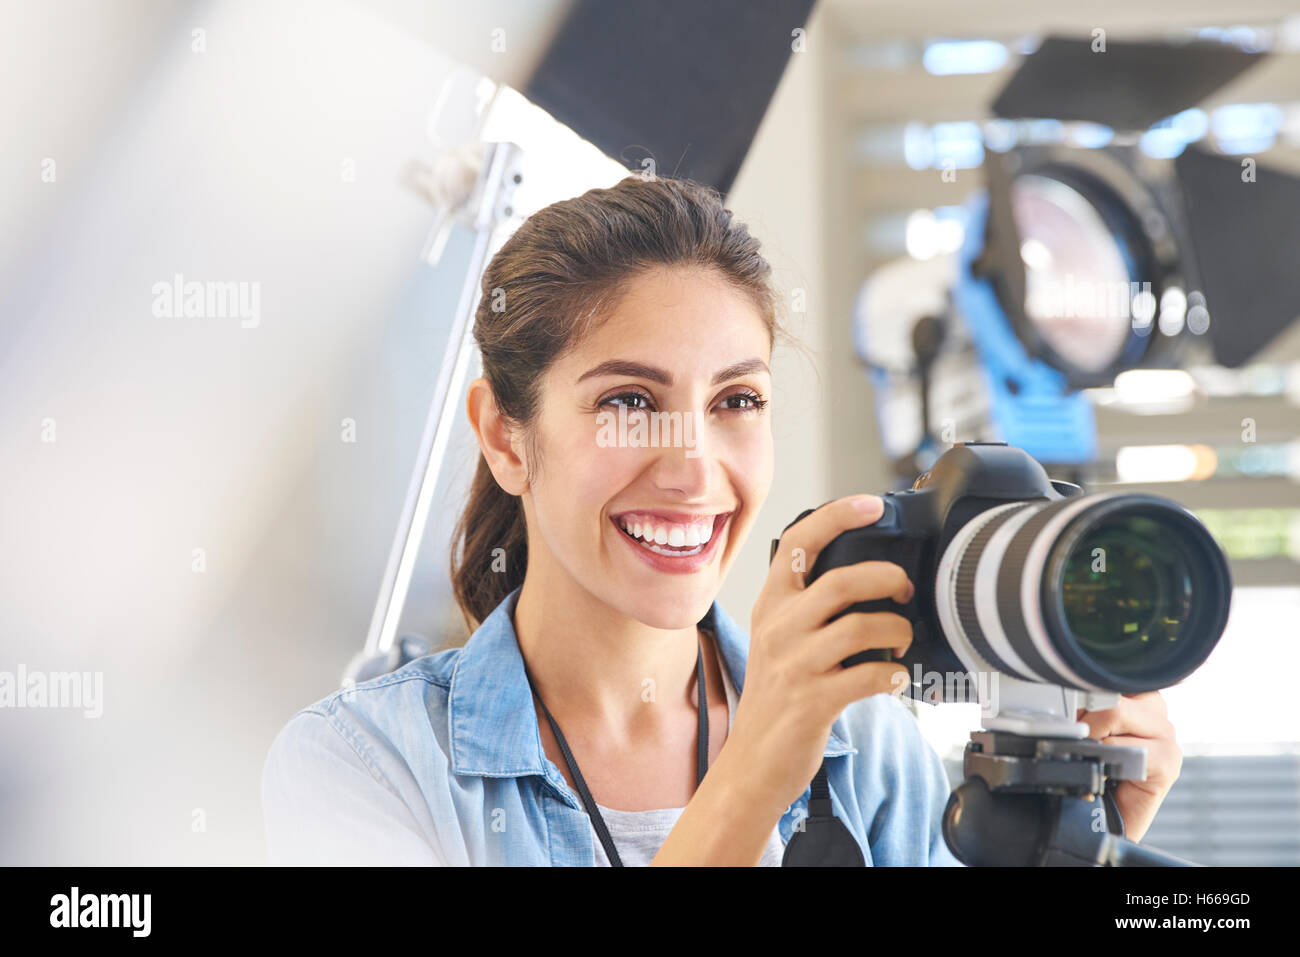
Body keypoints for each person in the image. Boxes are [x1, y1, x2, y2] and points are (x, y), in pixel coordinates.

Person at [261, 175, 1181, 866]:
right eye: (628, 399)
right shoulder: (362, 766)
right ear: (505, 436)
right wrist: (753, 774)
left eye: (736, 398)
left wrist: (1081, 841)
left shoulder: (867, 754)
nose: (693, 465)